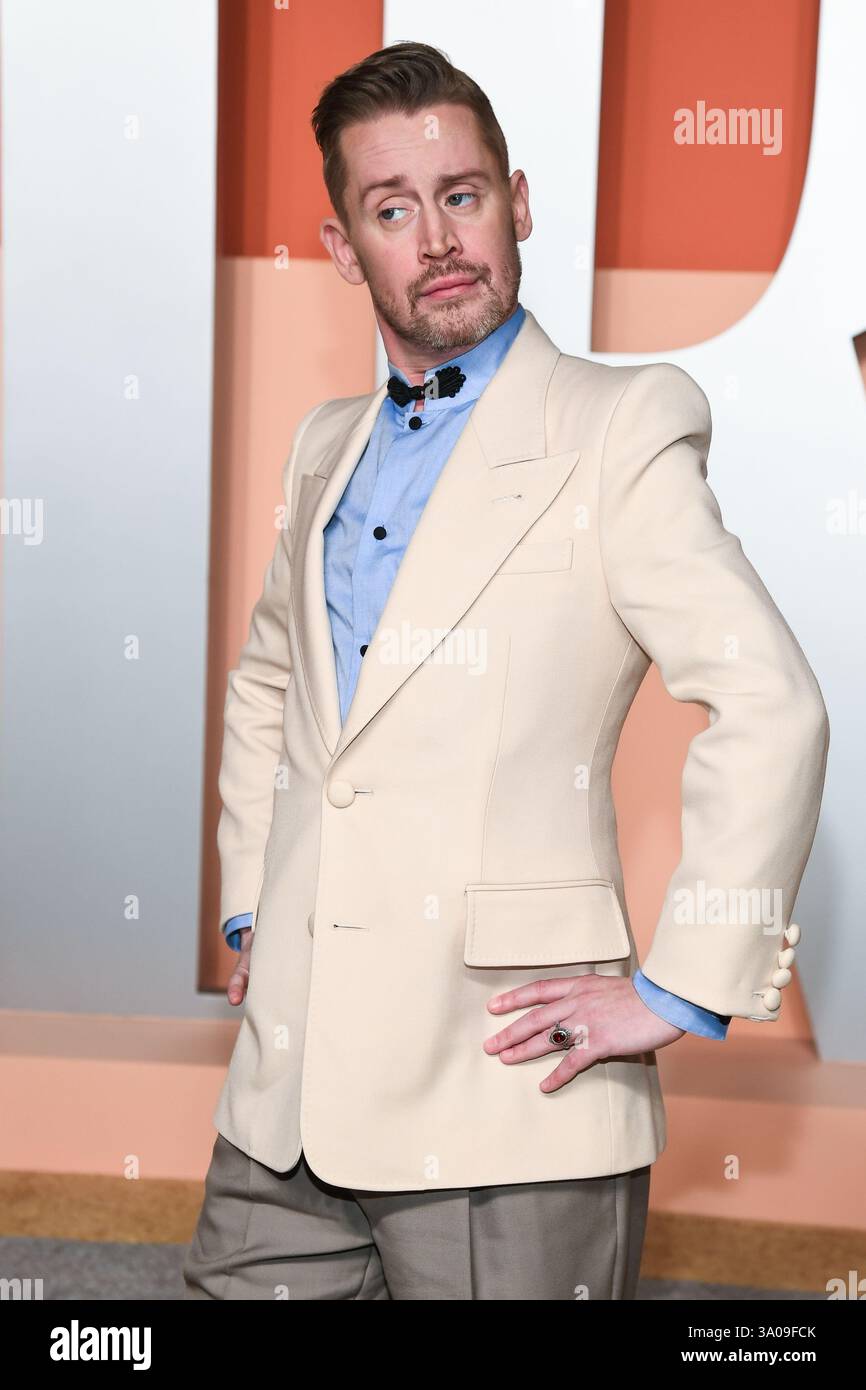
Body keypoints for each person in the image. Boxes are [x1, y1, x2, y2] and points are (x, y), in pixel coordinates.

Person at [182, 41, 829, 1300]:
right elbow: (276, 684)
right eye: (391, 209)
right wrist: (256, 904)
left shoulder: (620, 424)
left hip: (505, 1089)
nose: (434, 238)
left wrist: (681, 987)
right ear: (341, 248)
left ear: (517, 204)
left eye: (461, 196)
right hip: (286, 1087)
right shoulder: (324, 445)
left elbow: (770, 702)